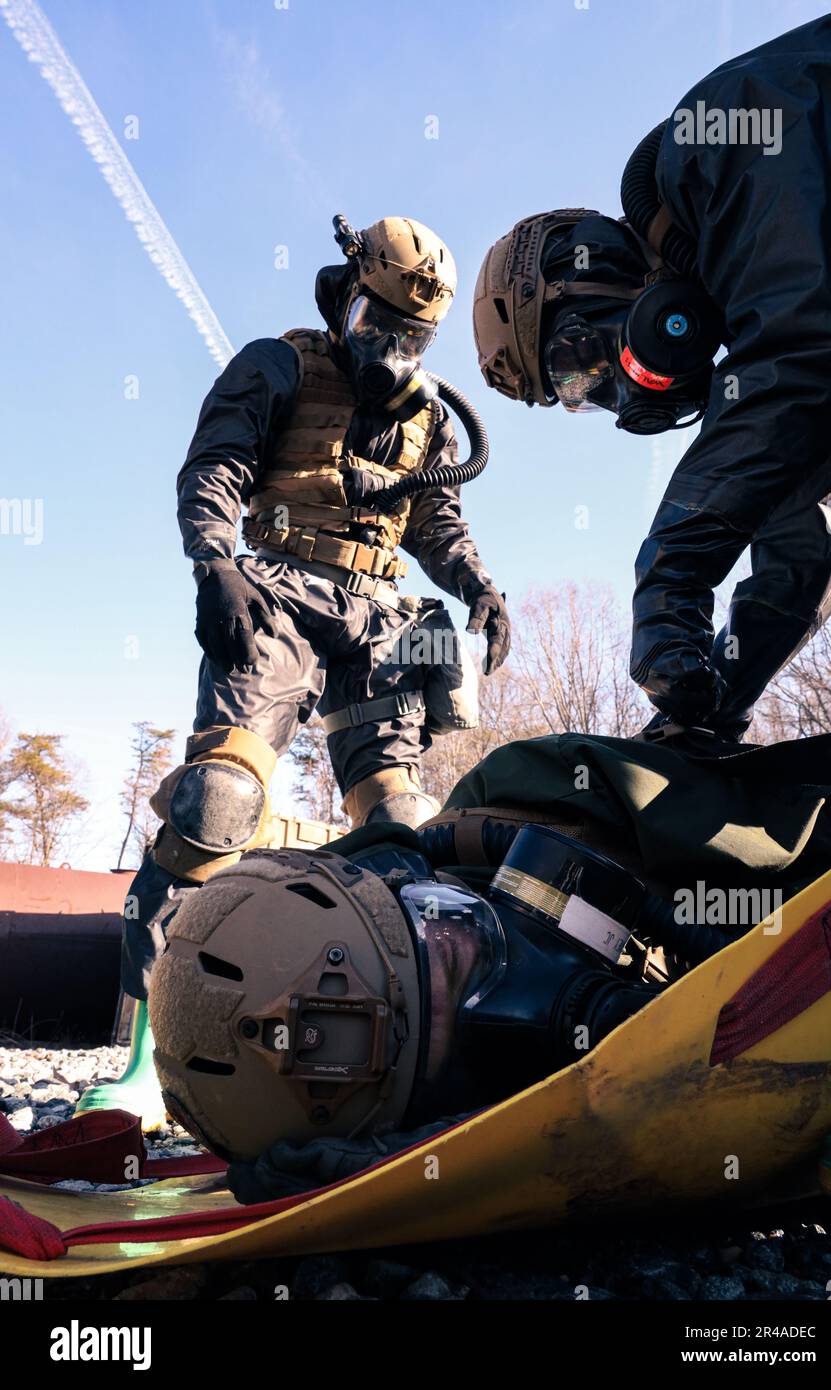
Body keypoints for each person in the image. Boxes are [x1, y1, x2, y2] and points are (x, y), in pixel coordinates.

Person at [77, 214, 510, 1125]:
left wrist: (477, 583)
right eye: (374, 325)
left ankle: (400, 1057)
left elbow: (434, 522)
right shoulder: (281, 364)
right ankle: (149, 1057)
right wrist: (213, 561)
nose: (388, 350)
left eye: (409, 337)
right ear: (343, 294)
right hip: (274, 594)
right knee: (215, 806)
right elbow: (218, 463)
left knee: (402, 831)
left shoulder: (430, 422)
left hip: (380, 619)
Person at [145, 724, 831, 1202]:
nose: (512, 1010)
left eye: (464, 955)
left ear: (414, 881)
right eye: (463, 1052)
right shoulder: (471, 1139)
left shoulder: (559, 791)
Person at [472, 10, 831, 743]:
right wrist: (710, 704)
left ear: (590, 271)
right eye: (579, 398)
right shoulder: (769, 308)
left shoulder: (711, 140)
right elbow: (808, 541)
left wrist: (669, 573)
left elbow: (806, 350)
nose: (609, 391)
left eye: (580, 364)